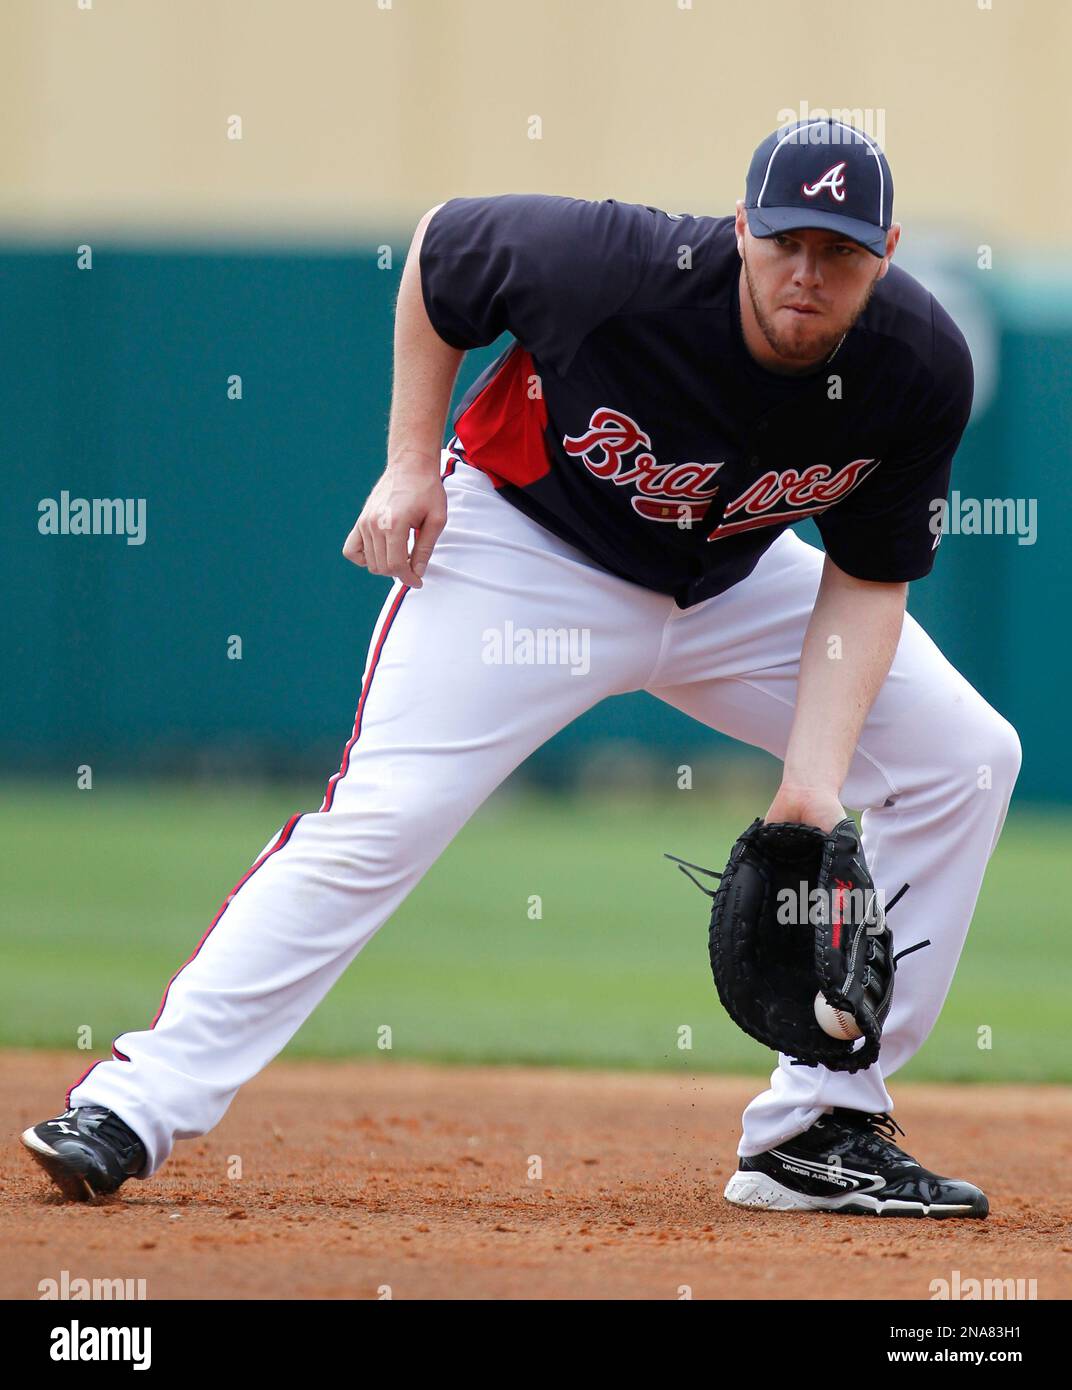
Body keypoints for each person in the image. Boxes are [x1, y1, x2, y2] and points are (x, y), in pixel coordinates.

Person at [22, 119, 1019, 1219]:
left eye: (838, 252)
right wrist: (409, 464)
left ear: (884, 256)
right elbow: (444, 251)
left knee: (966, 758)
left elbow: (869, 579)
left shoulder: (915, 364)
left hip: (734, 584)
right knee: (384, 815)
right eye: (786, 240)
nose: (806, 272)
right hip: (525, 549)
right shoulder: (613, 269)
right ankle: (134, 1103)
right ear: (740, 227)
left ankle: (819, 1122)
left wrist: (809, 795)